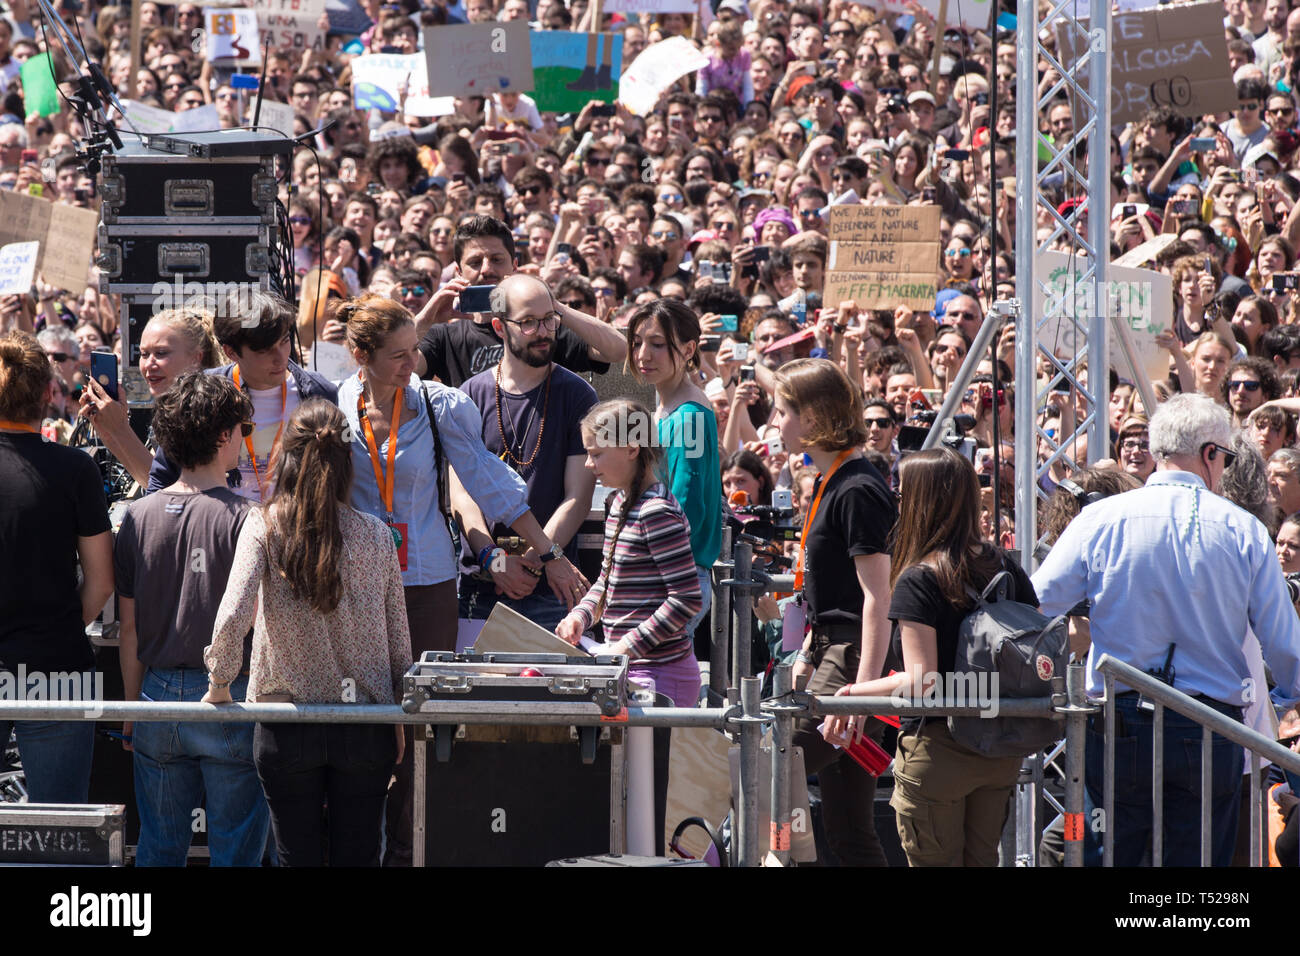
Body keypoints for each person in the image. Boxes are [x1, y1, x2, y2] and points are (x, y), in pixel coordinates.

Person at [335, 294, 589, 865]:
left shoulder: (438, 403)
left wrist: (547, 553)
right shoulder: (338, 401)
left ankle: (406, 847)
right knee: (361, 721)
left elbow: (487, 483)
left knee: (420, 720)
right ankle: (359, 844)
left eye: (413, 351)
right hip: (358, 585)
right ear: (360, 356)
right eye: (397, 356)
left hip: (425, 583)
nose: (411, 363)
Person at [1032, 394, 1300, 866]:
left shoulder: (1101, 518)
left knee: (1110, 854)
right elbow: (1284, 644)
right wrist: (1285, 699)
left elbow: (1038, 601)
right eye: (1227, 458)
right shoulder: (1243, 531)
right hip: (1206, 725)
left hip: (1121, 721)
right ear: (1210, 455)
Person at [203, 399, 413, 867]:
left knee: (295, 856)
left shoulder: (263, 525)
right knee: (358, 858)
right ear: (347, 461)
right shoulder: (378, 535)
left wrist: (219, 683)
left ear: (284, 454)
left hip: (286, 721)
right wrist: (397, 716)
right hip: (365, 724)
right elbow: (400, 640)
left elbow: (232, 613)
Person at [824, 448, 1038, 866]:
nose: (897, 505)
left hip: (941, 751)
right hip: (999, 748)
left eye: (903, 496)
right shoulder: (1005, 568)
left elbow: (922, 682)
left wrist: (853, 691)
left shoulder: (919, 578)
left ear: (922, 501)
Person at [114, 371, 269, 866]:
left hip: (156, 696)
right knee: (237, 852)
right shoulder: (249, 518)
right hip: (234, 697)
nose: (246, 441)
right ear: (224, 436)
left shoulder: (138, 516)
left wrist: (132, 707)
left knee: (159, 848)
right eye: (243, 430)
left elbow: (129, 629)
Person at [779, 358, 895, 866]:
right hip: (836, 651)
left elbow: (878, 596)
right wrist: (807, 648)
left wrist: (862, 695)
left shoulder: (857, 487)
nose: (775, 423)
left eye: (783, 411)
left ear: (812, 418)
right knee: (847, 826)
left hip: (853, 659)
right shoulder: (838, 480)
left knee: (772, 768)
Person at [0, 331, 114, 803]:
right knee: (59, 830)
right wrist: (63, 624)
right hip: (57, 668)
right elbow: (102, 581)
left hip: (53, 667)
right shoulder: (75, 469)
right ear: (50, 392)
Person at [456, 274, 598, 631]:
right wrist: (497, 562)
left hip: (551, 581)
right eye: (529, 322)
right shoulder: (469, 395)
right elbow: (460, 496)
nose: (544, 331)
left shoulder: (577, 394)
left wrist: (536, 560)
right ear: (499, 327)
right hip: (483, 579)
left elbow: (577, 497)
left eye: (550, 319)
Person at [556, 400, 704, 707]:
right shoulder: (619, 503)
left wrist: (625, 647)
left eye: (596, 454)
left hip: (660, 674)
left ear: (632, 450)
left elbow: (686, 599)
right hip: (629, 668)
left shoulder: (656, 513)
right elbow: (607, 580)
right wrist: (580, 616)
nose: (588, 463)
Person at [147, 291, 338, 496]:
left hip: (295, 526)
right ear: (231, 352)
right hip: (223, 526)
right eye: (263, 351)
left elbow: (336, 476)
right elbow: (162, 479)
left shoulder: (318, 393)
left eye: (284, 341)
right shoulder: (201, 395)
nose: (280, 357)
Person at [414, 215, 626, 387]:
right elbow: (396, 369)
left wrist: (553, 305)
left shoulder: (543, 327)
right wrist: (425, 320)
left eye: (497, 260)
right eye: (475, 262)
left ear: (514, 266)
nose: (487, 270)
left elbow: (618, 350)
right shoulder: (444, 336)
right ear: (458, 271)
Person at [626, 299, 723, 641]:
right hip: (664, 573)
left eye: (657, 344)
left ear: (688, 348)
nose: (643, 355)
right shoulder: (661, 409)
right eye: (637, 342)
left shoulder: (691, 416)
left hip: (674, 577)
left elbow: (688, 500)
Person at [79, 308, 222, 488]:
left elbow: (172, 491)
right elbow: (152, 482)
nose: (148, 364)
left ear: (196, 358)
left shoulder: (210, 413)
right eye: (144, 354)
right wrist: (108, 430)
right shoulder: (171, 410)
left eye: (161, 353)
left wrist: (120, 428)